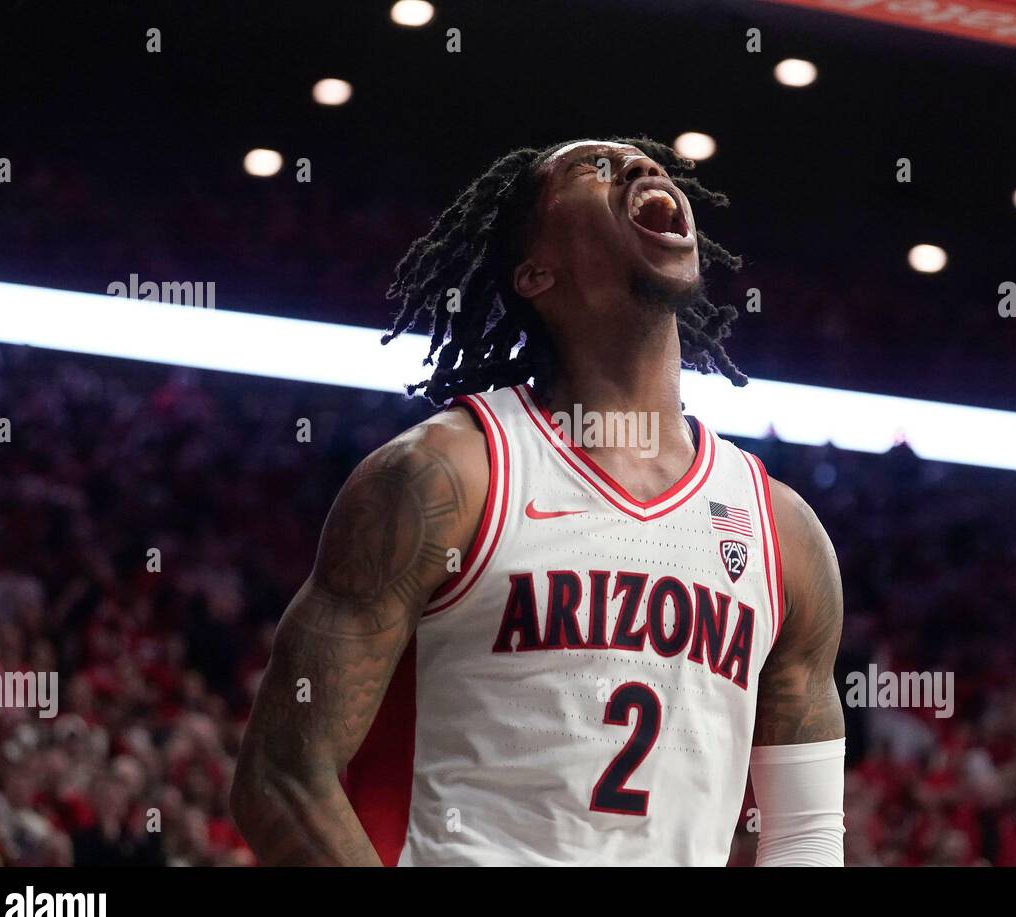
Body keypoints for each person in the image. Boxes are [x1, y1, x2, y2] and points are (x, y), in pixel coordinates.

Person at [231, 137, 846, 866]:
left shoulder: (783, 531)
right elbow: (281, 775)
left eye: (648, 163)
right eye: (596, 167)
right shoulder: (446, 475)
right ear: (535, 271)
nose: (644, 168)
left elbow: (804, 835)